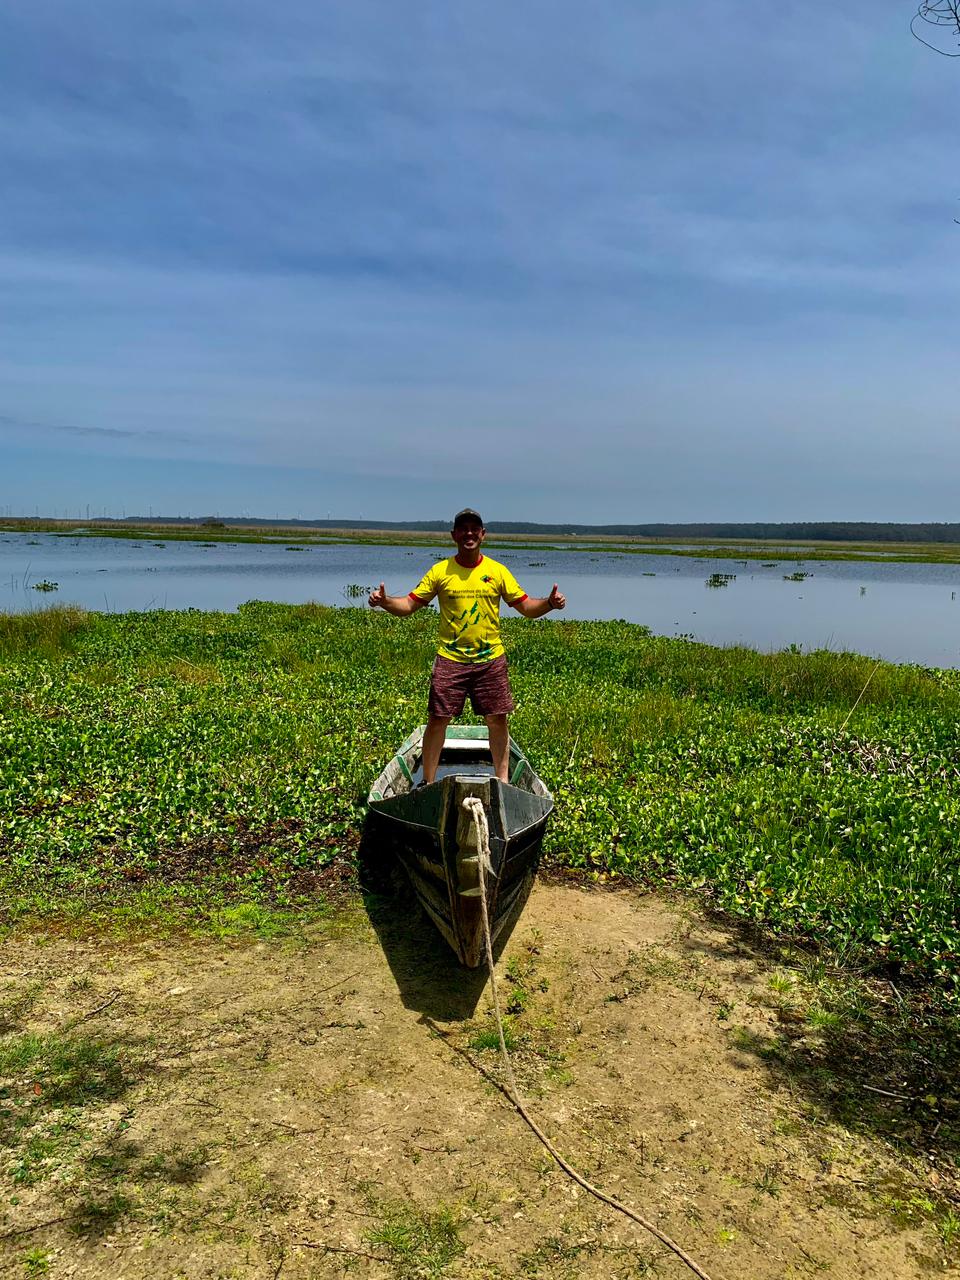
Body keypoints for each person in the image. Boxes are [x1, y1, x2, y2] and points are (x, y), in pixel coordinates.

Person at [368, 508, 566, 784]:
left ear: (483, 535)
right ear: (454, 535)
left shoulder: (497, 571)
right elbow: (409, 605)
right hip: (451, 659)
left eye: (474, 529)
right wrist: (385, 601)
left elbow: (527, 607)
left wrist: (549, 604)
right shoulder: (440, 571)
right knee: (438, 719)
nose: (469, 533)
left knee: (497, 720)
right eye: (463, 529)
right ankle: (428, 782)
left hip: (490, 660)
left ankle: (502, 783)